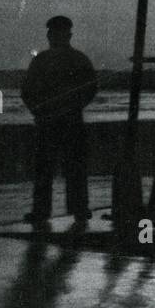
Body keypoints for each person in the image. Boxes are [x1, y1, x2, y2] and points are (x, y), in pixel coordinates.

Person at [20, 16, 98, 231]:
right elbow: (91, 89)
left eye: (53, 33)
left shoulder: (43, 60)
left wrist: (39, 111)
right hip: (68, 120)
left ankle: (43, 212)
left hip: (51, 121)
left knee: (48, 168)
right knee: (72, 168)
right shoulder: (78, 59)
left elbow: (27, 91)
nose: (51, 36)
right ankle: (78, 210)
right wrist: (73, 107)